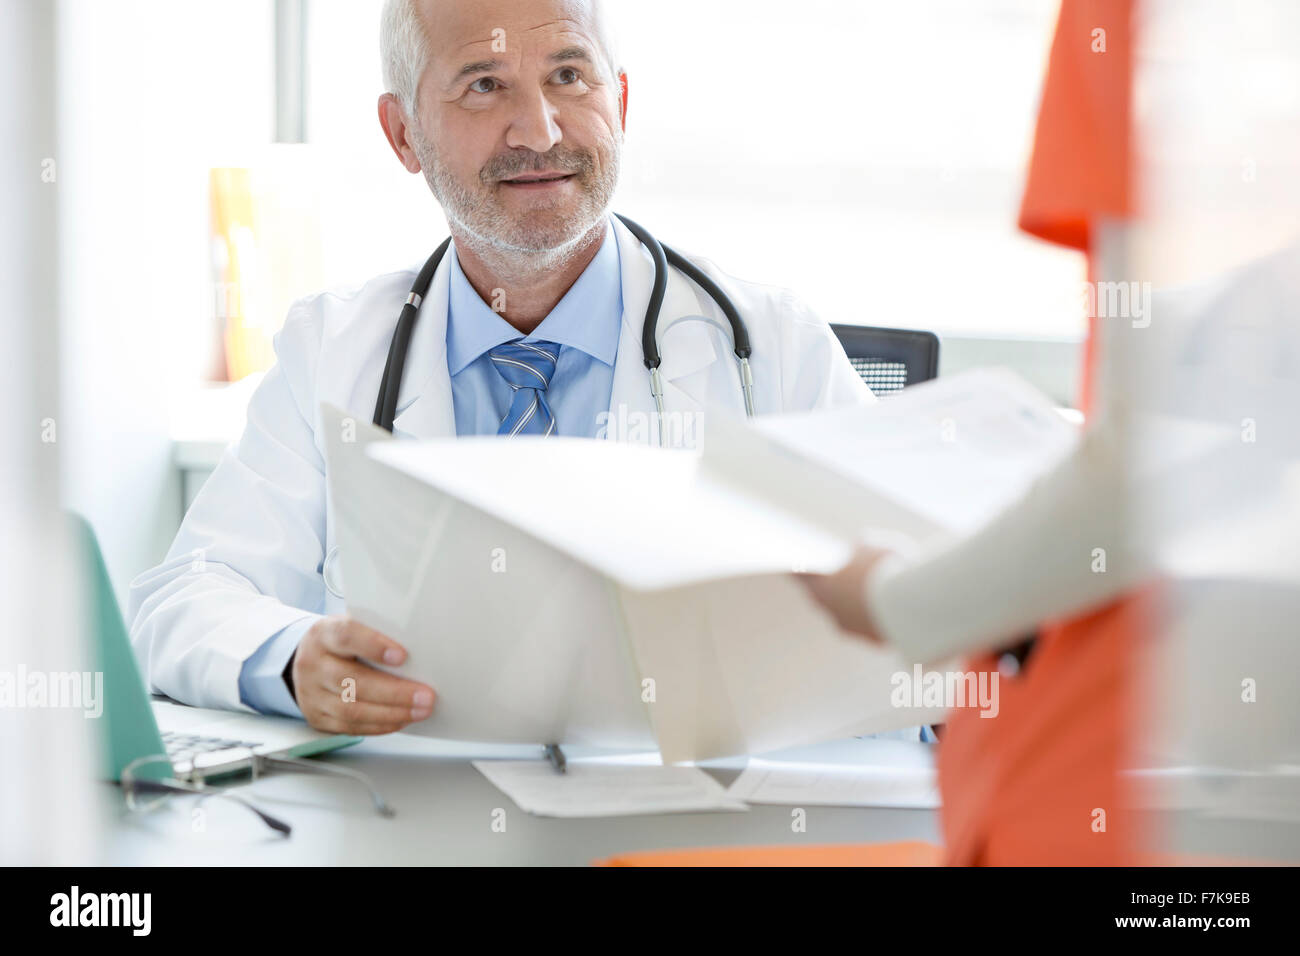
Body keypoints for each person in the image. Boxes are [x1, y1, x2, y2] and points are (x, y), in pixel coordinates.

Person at [128, 0, 873, 736]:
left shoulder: (774, 349)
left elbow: (921, 621)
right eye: (484, 84)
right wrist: (293, 660)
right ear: (402, 133)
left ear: (619, 100)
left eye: (569, 75)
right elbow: (183, 600)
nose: (540, 130)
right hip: (410, 827)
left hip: (689, 826)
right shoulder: (332, 348)